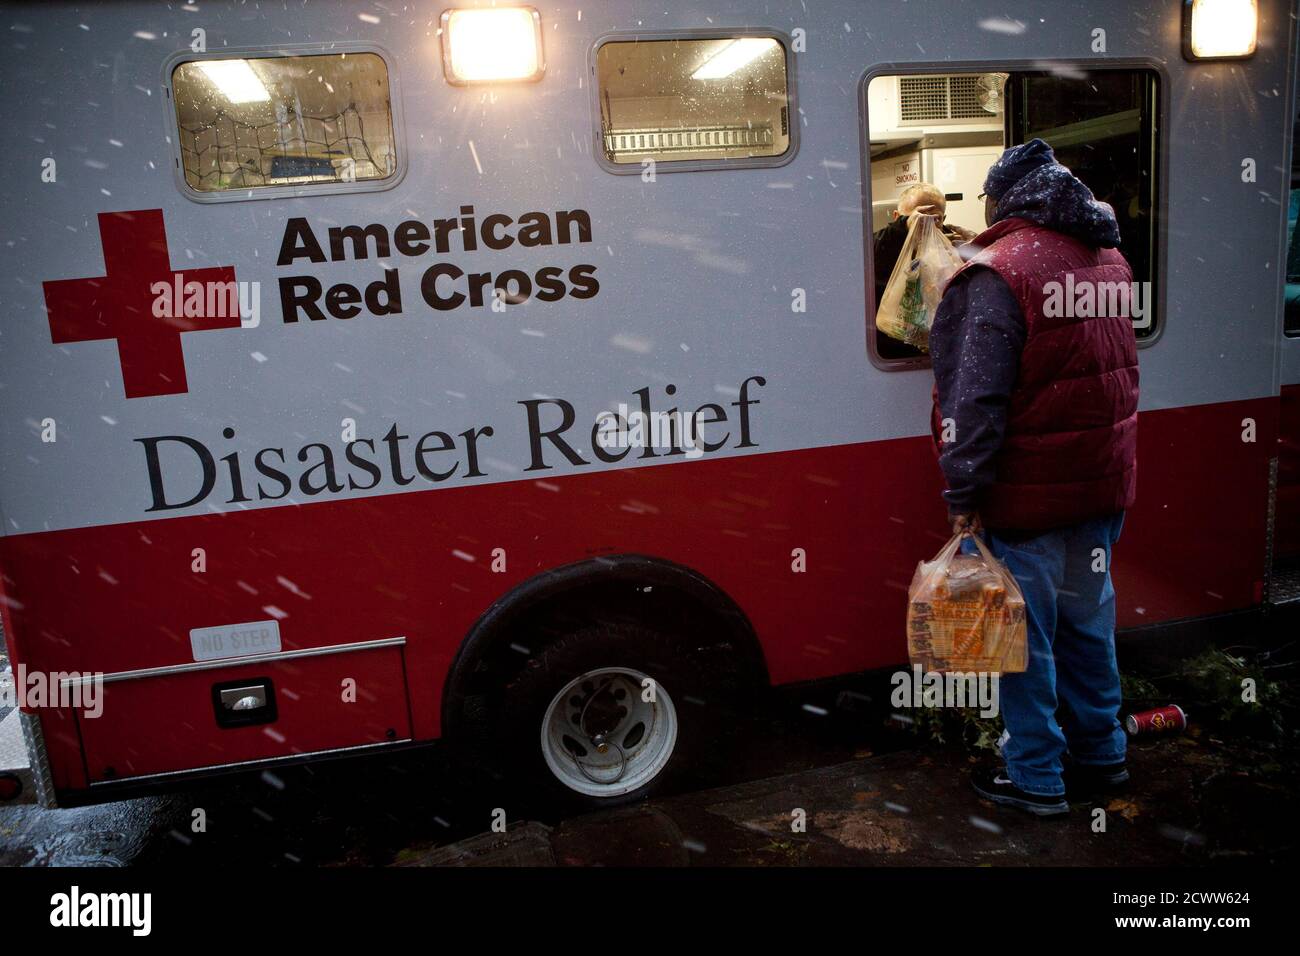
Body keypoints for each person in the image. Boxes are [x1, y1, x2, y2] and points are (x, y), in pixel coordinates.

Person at [927, 139, 1140, 817]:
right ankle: (1104, 754)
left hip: (1028, 494)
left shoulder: (997, 272)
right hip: (1102, 486)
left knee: (1022, 641)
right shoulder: (1109, 261)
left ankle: (1037, 778)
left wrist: (963, 494)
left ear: (1005, 202)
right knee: (1088, 625)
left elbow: (975, 402)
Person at [872, 182, 976, 306]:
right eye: (920, 217)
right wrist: (904, 226)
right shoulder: (884, 243)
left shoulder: (953, 244)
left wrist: (976, 251)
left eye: (936, 219)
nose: (927, 224)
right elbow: (872, 251)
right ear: (897, 217)